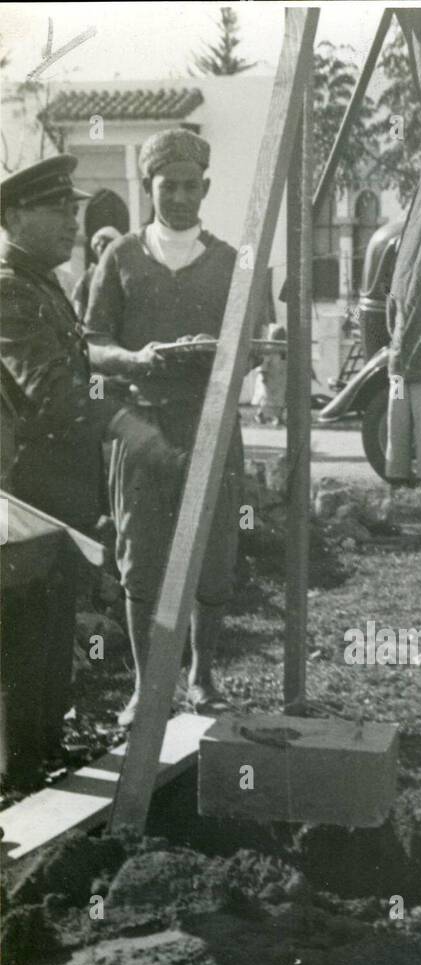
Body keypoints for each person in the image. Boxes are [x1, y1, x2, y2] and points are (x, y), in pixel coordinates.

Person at [0, 155, 182, 782]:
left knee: (54, 618)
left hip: (57, 484)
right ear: (14, 215)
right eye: (57, 211)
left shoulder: (40, 281)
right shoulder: (8, 287)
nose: (72, 224)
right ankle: (20, 768)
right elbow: (49, 391)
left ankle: (44, 748)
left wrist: (127, 365)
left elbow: (75, 368)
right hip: (25, 487)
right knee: (24, 625)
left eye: (73, 211)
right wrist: (124, 420)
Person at [84, 128, 243, 726]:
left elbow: (253, 339)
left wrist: (225, 353)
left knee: (215, 552)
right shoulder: (121, 255)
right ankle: (148, 688)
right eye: (166, 185)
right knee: (140, 556)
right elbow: (93, 343)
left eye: (189, 186)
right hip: (141, 427)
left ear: (205, 188)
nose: (178, 196)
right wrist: (136, 358)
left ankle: (202, 679)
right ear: (149, 188)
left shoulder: (230, 260)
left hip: (210, 424)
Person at [71, 224, 121, 322]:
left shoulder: (123, 274)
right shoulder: (88, 276)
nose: (101, 247)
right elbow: (79, 304)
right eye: (98, 244)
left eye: (107, 244)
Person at [253, 324, 287, 426]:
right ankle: (260, 415)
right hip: (269, 378)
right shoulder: (269, 350)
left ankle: (278, 417)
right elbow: (263, 365)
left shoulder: (284, 350)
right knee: (266, 398)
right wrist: (264, 376)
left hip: (280, 379)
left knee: (280, 399)